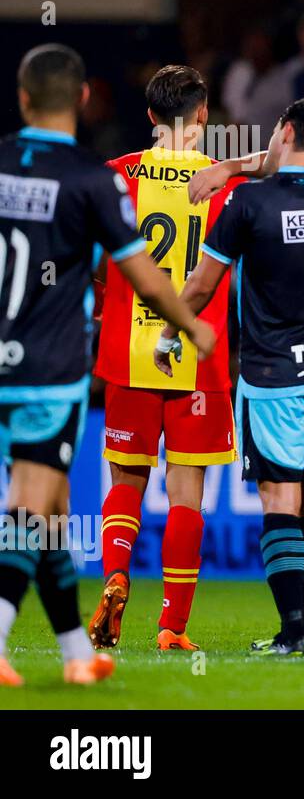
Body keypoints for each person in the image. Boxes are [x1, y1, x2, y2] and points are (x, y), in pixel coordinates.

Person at [0, 45, 215, 687]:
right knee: (172, 491)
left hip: (114, 351)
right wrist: (194, 325)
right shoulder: (212, 181)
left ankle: (76, 645)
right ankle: (171, 624)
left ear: (22, 96)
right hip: (89, 360)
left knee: (72, 500)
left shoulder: (116, 171)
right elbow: (148, 272)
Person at [157, 97, 304, 657]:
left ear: (288, 130)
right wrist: (227, 165)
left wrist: (170, 334)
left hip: (275, 375)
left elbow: (200, 286)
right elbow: (286, 164)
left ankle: (292, 632)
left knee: (280, 497)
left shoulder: (250, 204)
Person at [89, 65, 251, 654]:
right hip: (198, 353)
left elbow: (91, 258)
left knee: (126, 484)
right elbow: (285, 160)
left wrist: (106, 304)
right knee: (187, 495)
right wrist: (236, 162)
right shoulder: (224, 184)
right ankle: (171, 627)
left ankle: (114, 576)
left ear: (151, 116)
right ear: (204, 115)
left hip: (128, 351)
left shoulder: (116, 177)